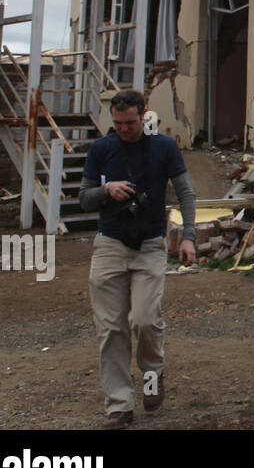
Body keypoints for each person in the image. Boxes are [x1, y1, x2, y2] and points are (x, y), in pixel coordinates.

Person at [78, 89, 197, 428]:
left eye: (129, 122)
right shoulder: (101, 149)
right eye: (117, 123)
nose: (123, 129)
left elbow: (185, 192)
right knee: (111, 329)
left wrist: (188, 236)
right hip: (110, 245)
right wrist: (106, 191)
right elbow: (83, 198)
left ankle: (152, 378)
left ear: (143, 114)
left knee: (145, 321)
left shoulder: (164, 147)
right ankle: (119, 405)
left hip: (149, 245)